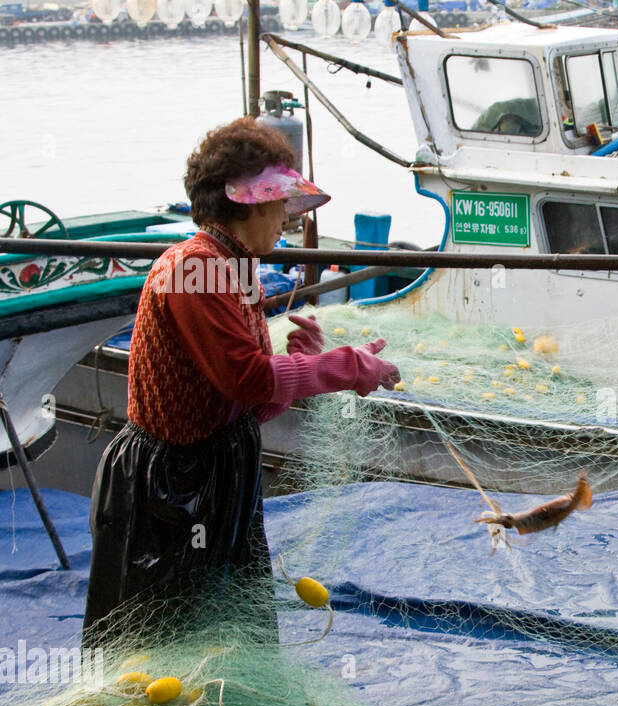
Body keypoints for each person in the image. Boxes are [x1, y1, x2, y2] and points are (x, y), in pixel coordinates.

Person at [82, 118, 401, 646]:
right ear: (247, 204)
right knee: (166, 636)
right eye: (280, 206)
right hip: (172, 482)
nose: (287, 220)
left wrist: (302, 366)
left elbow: (240, 401)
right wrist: (342, 368)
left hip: (218, 469)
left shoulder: (233, 266)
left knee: (226, 632)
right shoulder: (195, 268)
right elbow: (249, 378)